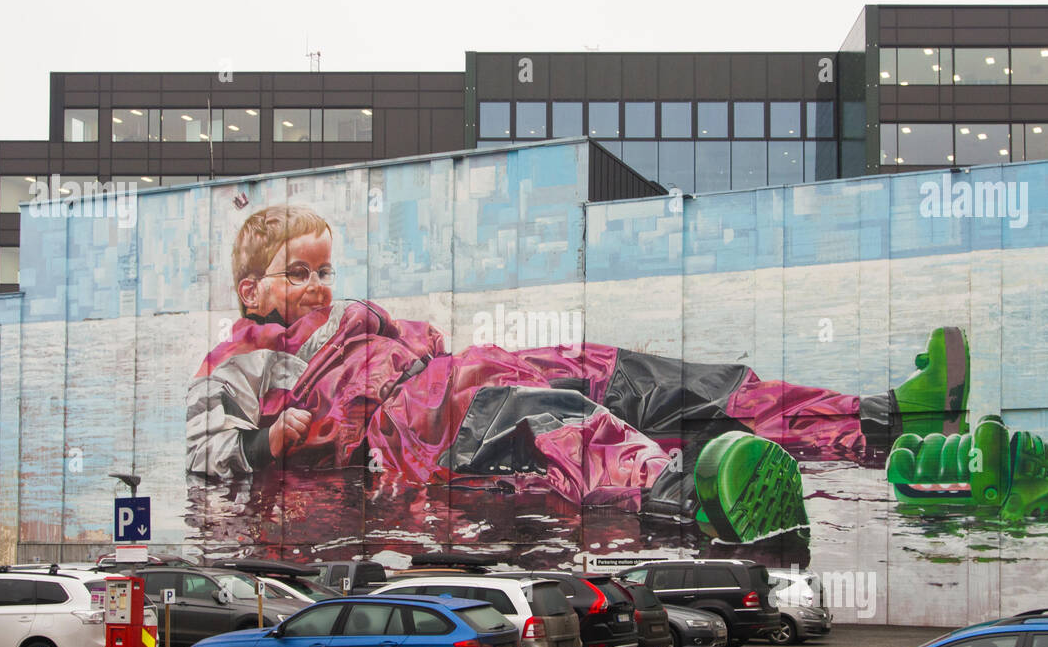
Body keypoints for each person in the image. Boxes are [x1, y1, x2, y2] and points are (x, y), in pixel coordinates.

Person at [186, 206, 970, 537]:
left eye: (326, 270)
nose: (319, 286)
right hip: (413, 428)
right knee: (554, 417)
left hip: (462, 371)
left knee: (647, 378)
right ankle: (688, 495)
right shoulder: (240, 360)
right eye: (299, 272)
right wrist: (264, 444)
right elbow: (206, 450)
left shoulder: (357, 320)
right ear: (252, 290)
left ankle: (875, 419)